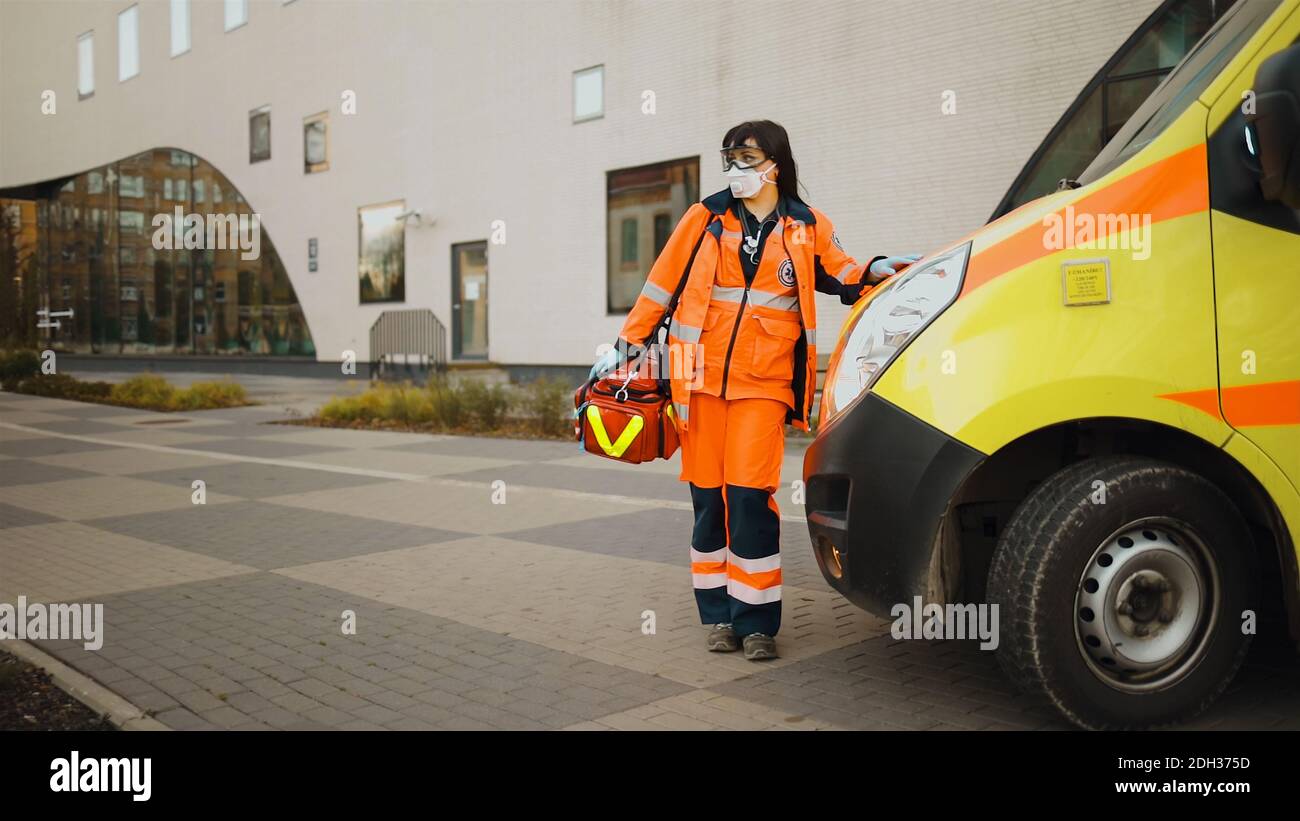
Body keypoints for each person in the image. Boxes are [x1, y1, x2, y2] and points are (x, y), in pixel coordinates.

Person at [591, 120, 918, 660]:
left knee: (750, 499)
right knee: (709, 503)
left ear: (775, 162)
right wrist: (626, 347)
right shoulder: (705, 217)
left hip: (763, 384)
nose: (736, 166)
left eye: (747, 155)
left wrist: (877, 268)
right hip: (697, 382)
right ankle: (717, 617)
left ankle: (759, 623)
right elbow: (660, 283)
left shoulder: (806, 225)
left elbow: (843, 273)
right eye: (730, 156)